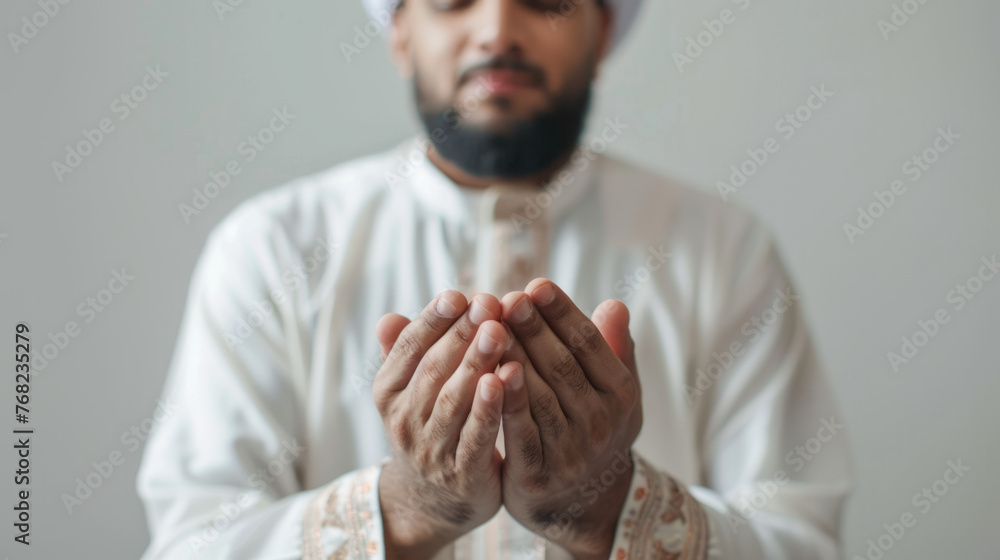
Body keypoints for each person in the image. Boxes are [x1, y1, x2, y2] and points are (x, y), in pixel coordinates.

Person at [136, 0, 853, 558]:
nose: (498, 30)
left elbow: (801, 542)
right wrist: (407, 510)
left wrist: (608, 510)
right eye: (452, 0)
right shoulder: (273, 251)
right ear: (399, 33)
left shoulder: (720, 250)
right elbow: (192, 542)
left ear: (602, 32)